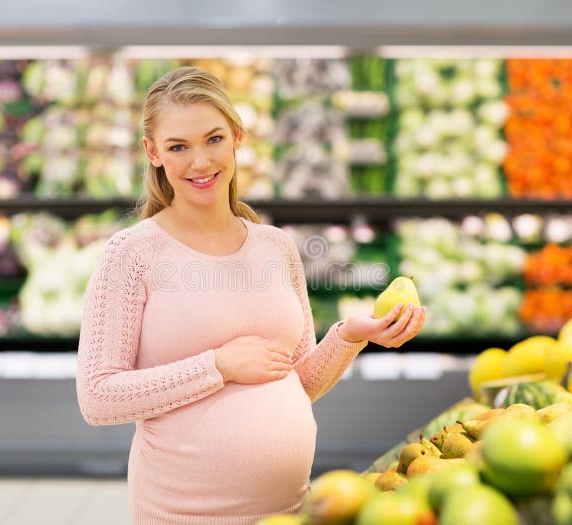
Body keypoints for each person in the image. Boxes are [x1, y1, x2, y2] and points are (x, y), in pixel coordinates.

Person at [76, 66, 426, 524]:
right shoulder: (132, 253)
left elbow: (297, 383)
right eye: (178, 147)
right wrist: (217, 366)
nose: (200, 162)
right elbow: (98, 398)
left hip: (289, 511)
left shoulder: (275, 246)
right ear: (152, 152)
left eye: (213, 139)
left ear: (237, 136)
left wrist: (349, 337)